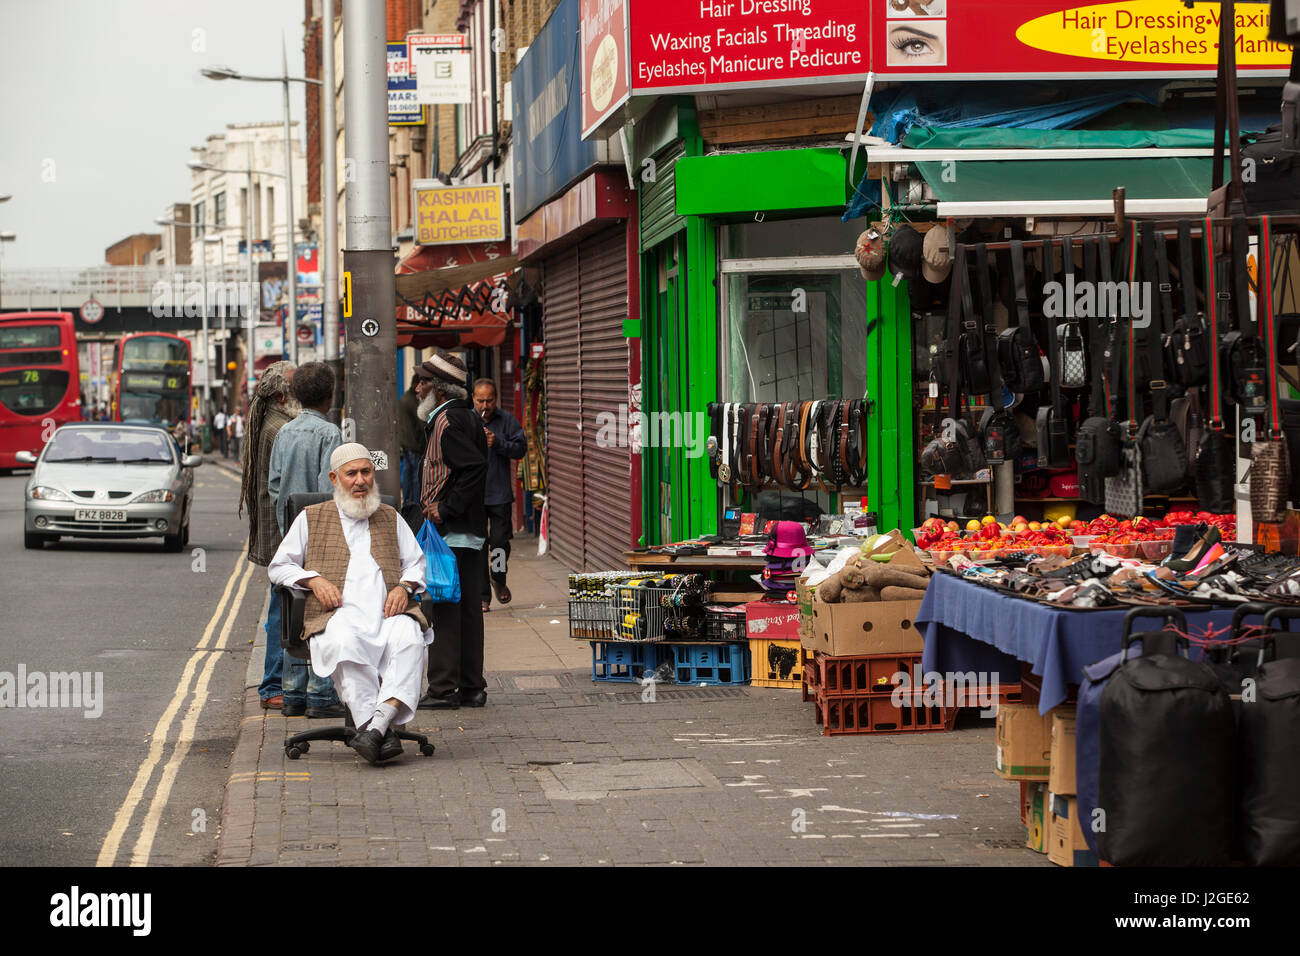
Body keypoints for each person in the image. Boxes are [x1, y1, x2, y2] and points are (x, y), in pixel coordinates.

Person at [268, 443, 431, 764]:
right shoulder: (310, 518)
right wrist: (312, 579)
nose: (360, 481)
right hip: (335, 616)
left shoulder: (390, 516)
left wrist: (405, 586)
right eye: (351, 474)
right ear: (334, 478)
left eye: (366, 472)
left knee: (411, 639)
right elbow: (279, 566)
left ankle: (374, 729)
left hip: (388, 613)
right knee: (343, 643)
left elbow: (416, 562)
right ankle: (378, 729)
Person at [268, 362, 345, 718]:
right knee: (322, 611)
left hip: (290, 532)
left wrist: (288, 526)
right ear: (330, 395)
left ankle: (293, 693)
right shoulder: (329, 433)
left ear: (295, 394)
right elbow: (330, 487)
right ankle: (319, 694)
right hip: (321, 532)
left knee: (292, 610)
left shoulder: (284, 433)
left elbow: (274, 485)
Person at [416, 350, 488, 710]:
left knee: (445, 607)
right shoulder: (460, 416)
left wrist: (446, 508)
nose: (417, 388)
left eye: (423, 381)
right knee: (467, 609)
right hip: (467, 531)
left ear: (439, 389)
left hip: (453, 533)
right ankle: (472, 686)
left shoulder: (450, 422)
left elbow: (473, 468)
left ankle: (444, 689)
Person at [238, 360, 298, 710]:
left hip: (275, 530)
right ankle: (273, 685)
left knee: (283, 603)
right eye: (294, 386)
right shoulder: (280, 430)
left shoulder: (274, 423)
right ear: (280, 395)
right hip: (281, 531)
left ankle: (275, 682)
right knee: (282, 606)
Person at [472, 378, 527, 612]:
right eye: (480, 400)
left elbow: (521, 449)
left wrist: (498, 443)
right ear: (473, 398)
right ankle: (483, 597)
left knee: (499, 544)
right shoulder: (466, 420)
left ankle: (499, 578)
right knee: (477, 547)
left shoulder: (506, 421)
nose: (485, 405)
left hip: (499, 495)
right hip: (473, 496)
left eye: (489, 400)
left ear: (496, 399)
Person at [398, 371, 432, 527]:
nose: (420, 388)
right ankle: (414, 507)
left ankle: (409, 503)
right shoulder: (412, 400)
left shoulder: (405, 398)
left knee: (409, 475)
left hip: (407, 443)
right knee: (415, 478)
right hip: (413, 445)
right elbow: (421, 424)